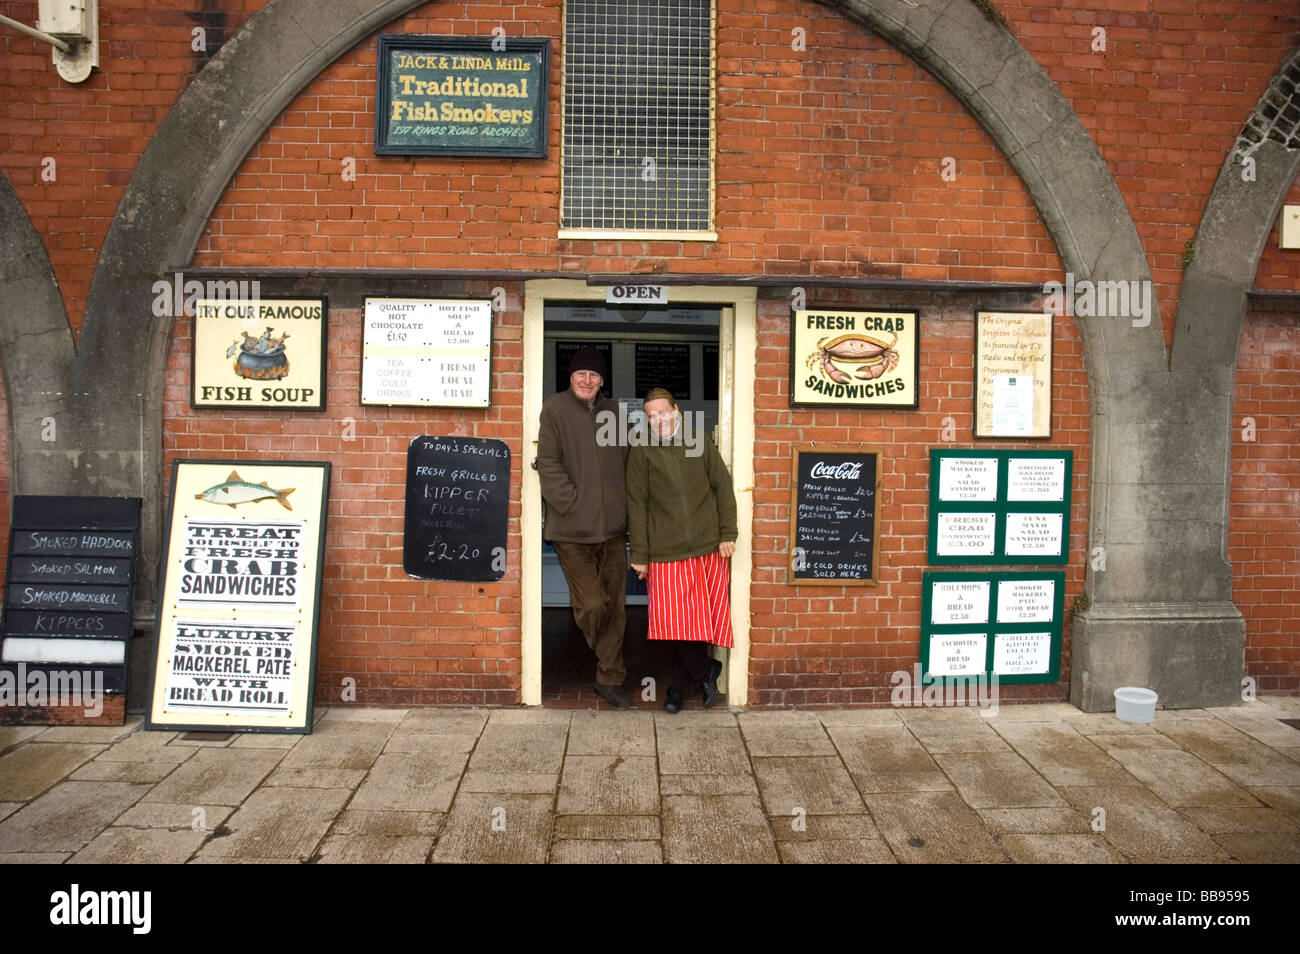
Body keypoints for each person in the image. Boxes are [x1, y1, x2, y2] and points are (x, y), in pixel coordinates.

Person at [626, 388, 737, 713]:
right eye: (651, 415)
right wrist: (641, 554)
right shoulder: (642, 450)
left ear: (678, 412)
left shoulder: (699, 441)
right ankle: (706, 670)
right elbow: (637, 505)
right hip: (664, 551)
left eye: (663, 412)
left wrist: (728, 532)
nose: (658, 419)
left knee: (696, 623)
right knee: (671, 623)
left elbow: (722, 487)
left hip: (707, 547)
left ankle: (676, 690)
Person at [537, 346, 632, 708]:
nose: (587, 380)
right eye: (581, 374)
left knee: (616, 607)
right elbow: (547, 463)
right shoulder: (555, 409)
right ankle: (603, 656)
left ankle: (610, 677)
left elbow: (630, 465)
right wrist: (571, 504)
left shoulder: (617, 414)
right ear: (571, 377)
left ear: (602, 380)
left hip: (613, 531)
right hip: (572, 531)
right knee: (594, 605)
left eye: (594, 375)